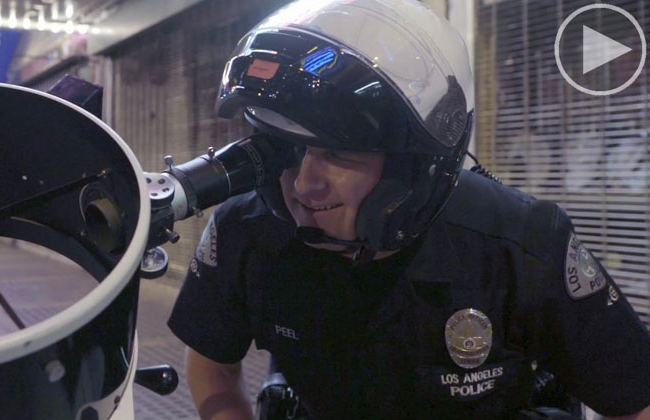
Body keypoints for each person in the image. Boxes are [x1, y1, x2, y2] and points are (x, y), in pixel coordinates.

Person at [166, 1, 650, 419]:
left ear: (416, 165)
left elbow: (632, 399)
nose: (305, 183)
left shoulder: (522, 242)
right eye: (286, 151)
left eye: (339, 153)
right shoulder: (244, 229)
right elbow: (213, 364)